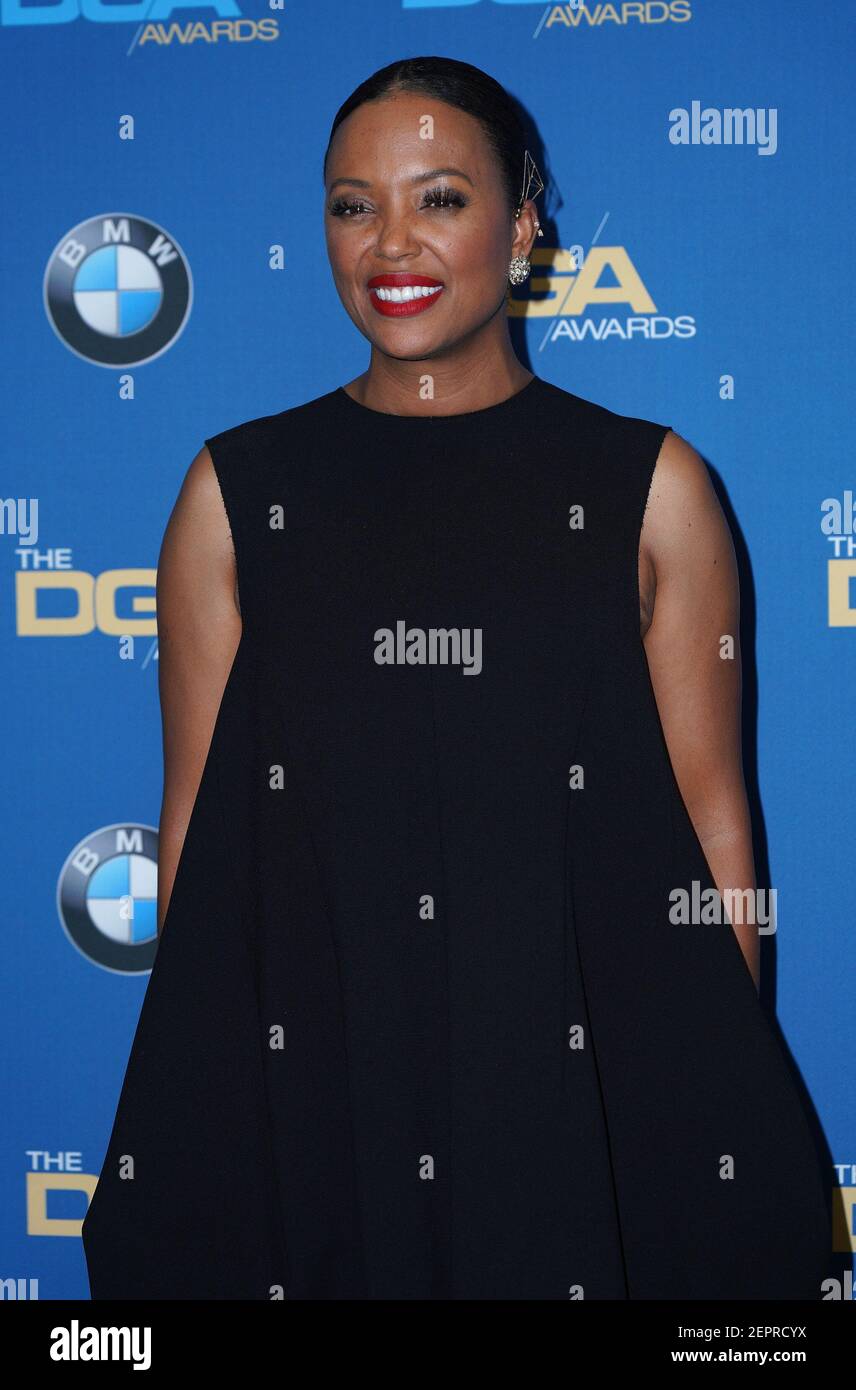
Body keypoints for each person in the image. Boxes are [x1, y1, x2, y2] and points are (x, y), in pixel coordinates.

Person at [82, 55, 830, 1301]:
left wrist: (696, 1099)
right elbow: (198, 838)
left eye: (438, 198)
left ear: (524, 221)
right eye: (351, 203)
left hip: (568, 1084)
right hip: (324, 1082)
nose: (390, 244)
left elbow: (711, 829)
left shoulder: (652, 492)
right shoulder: (236, 497)